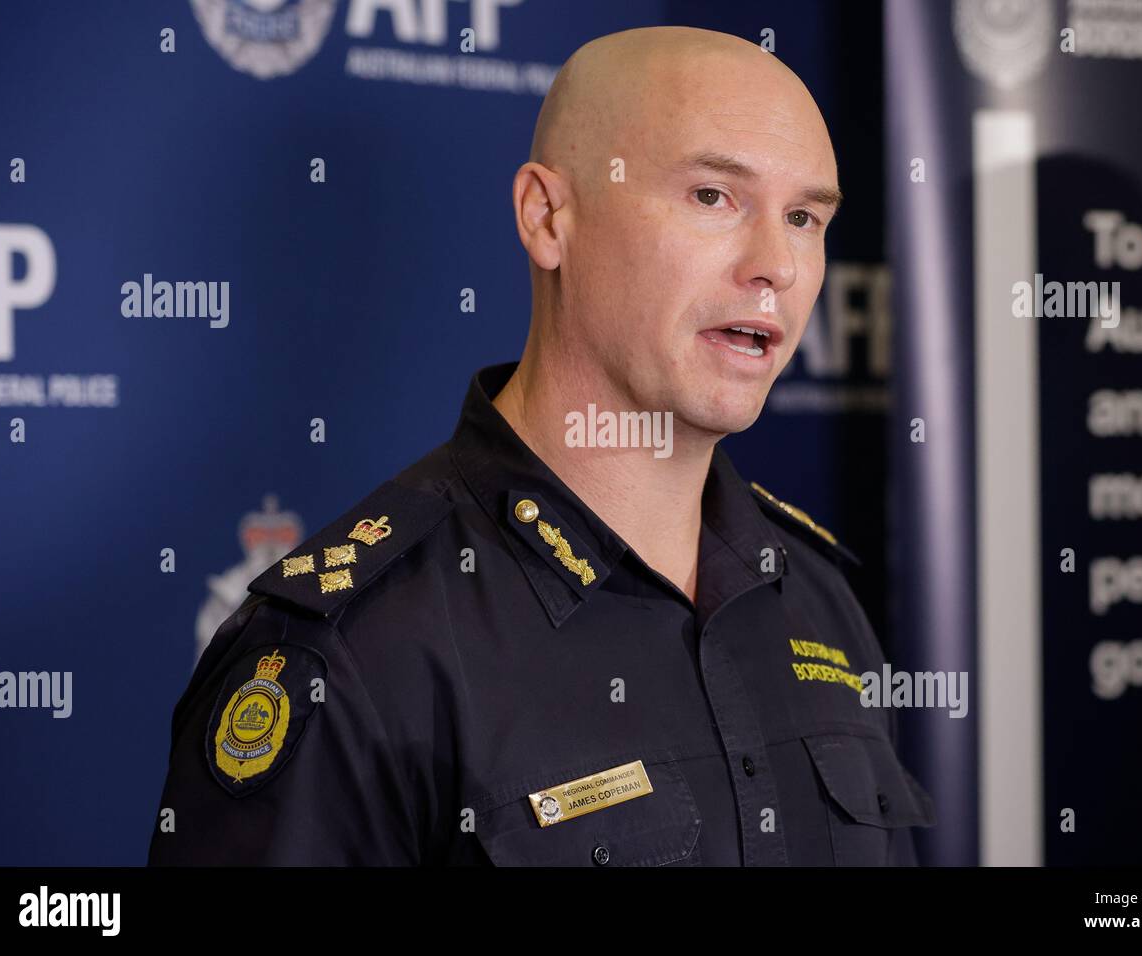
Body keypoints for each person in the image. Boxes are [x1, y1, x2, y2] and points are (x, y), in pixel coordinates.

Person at [148, 25, 935, 867]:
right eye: (713, 196)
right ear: (547, 217)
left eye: (806, 216)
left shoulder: (817, 599)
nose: (777, 263)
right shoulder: (354, 651)